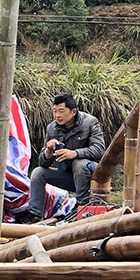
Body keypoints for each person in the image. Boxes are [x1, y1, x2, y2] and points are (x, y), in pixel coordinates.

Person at [22, 92, 105, 222]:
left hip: (92, 175)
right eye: (55, 111)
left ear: (73, 111)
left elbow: (99, 150)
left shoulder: (90, 122)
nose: (57, 115)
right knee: (38, 173)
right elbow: (42, 163)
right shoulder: (52, 128)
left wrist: (75, 153)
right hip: (69, 176)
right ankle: (35, 215)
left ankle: (81, 206)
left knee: (79, 163)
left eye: (61, 111)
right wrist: (48, 151)